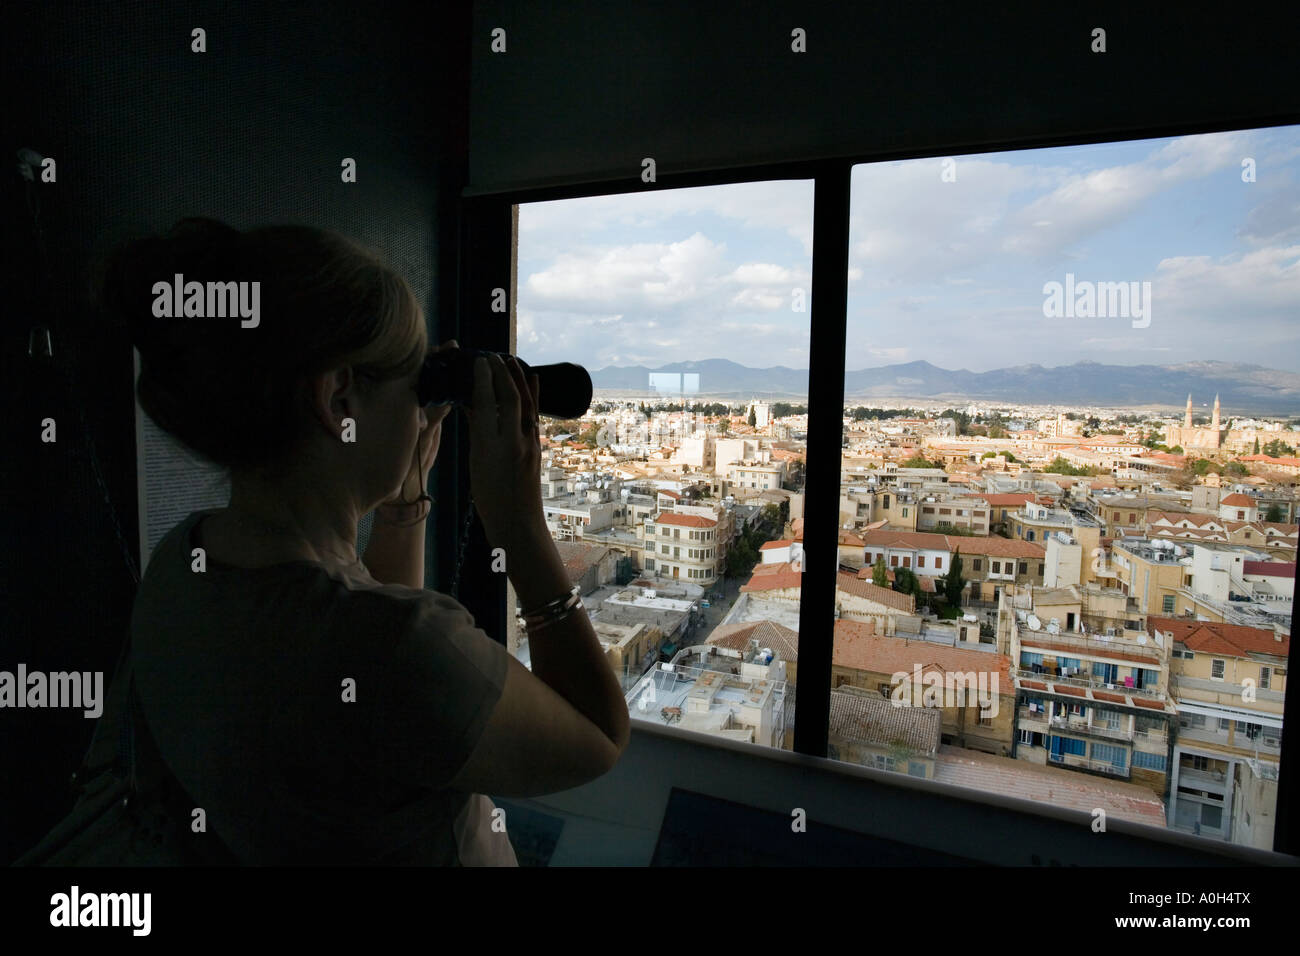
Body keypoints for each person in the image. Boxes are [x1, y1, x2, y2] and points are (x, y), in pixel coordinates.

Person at [39, 217, 631, 865]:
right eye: (415, 382)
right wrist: (518, 525)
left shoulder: (182, 566)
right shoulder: (395, 649)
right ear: (339, 400)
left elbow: (370, 644)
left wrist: (407, 503)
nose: (421, 409)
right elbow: (598, 736)